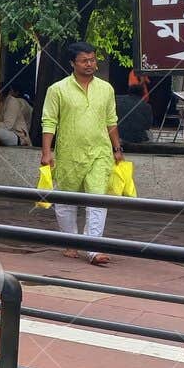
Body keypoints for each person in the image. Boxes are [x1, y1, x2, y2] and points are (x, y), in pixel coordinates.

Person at [41, 42, 123, 265]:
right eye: (84, 60)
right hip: (68, 153)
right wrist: (46, 152)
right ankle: (71, 241)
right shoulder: (57, 89)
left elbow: (111, 121)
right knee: (66, 201)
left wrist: (117, 148)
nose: (90, 64)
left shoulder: (106, 89)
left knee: (97, 198)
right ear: (72, 63)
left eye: (93, 60)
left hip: (100, 152)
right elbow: (49, 121)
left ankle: (93, 249)